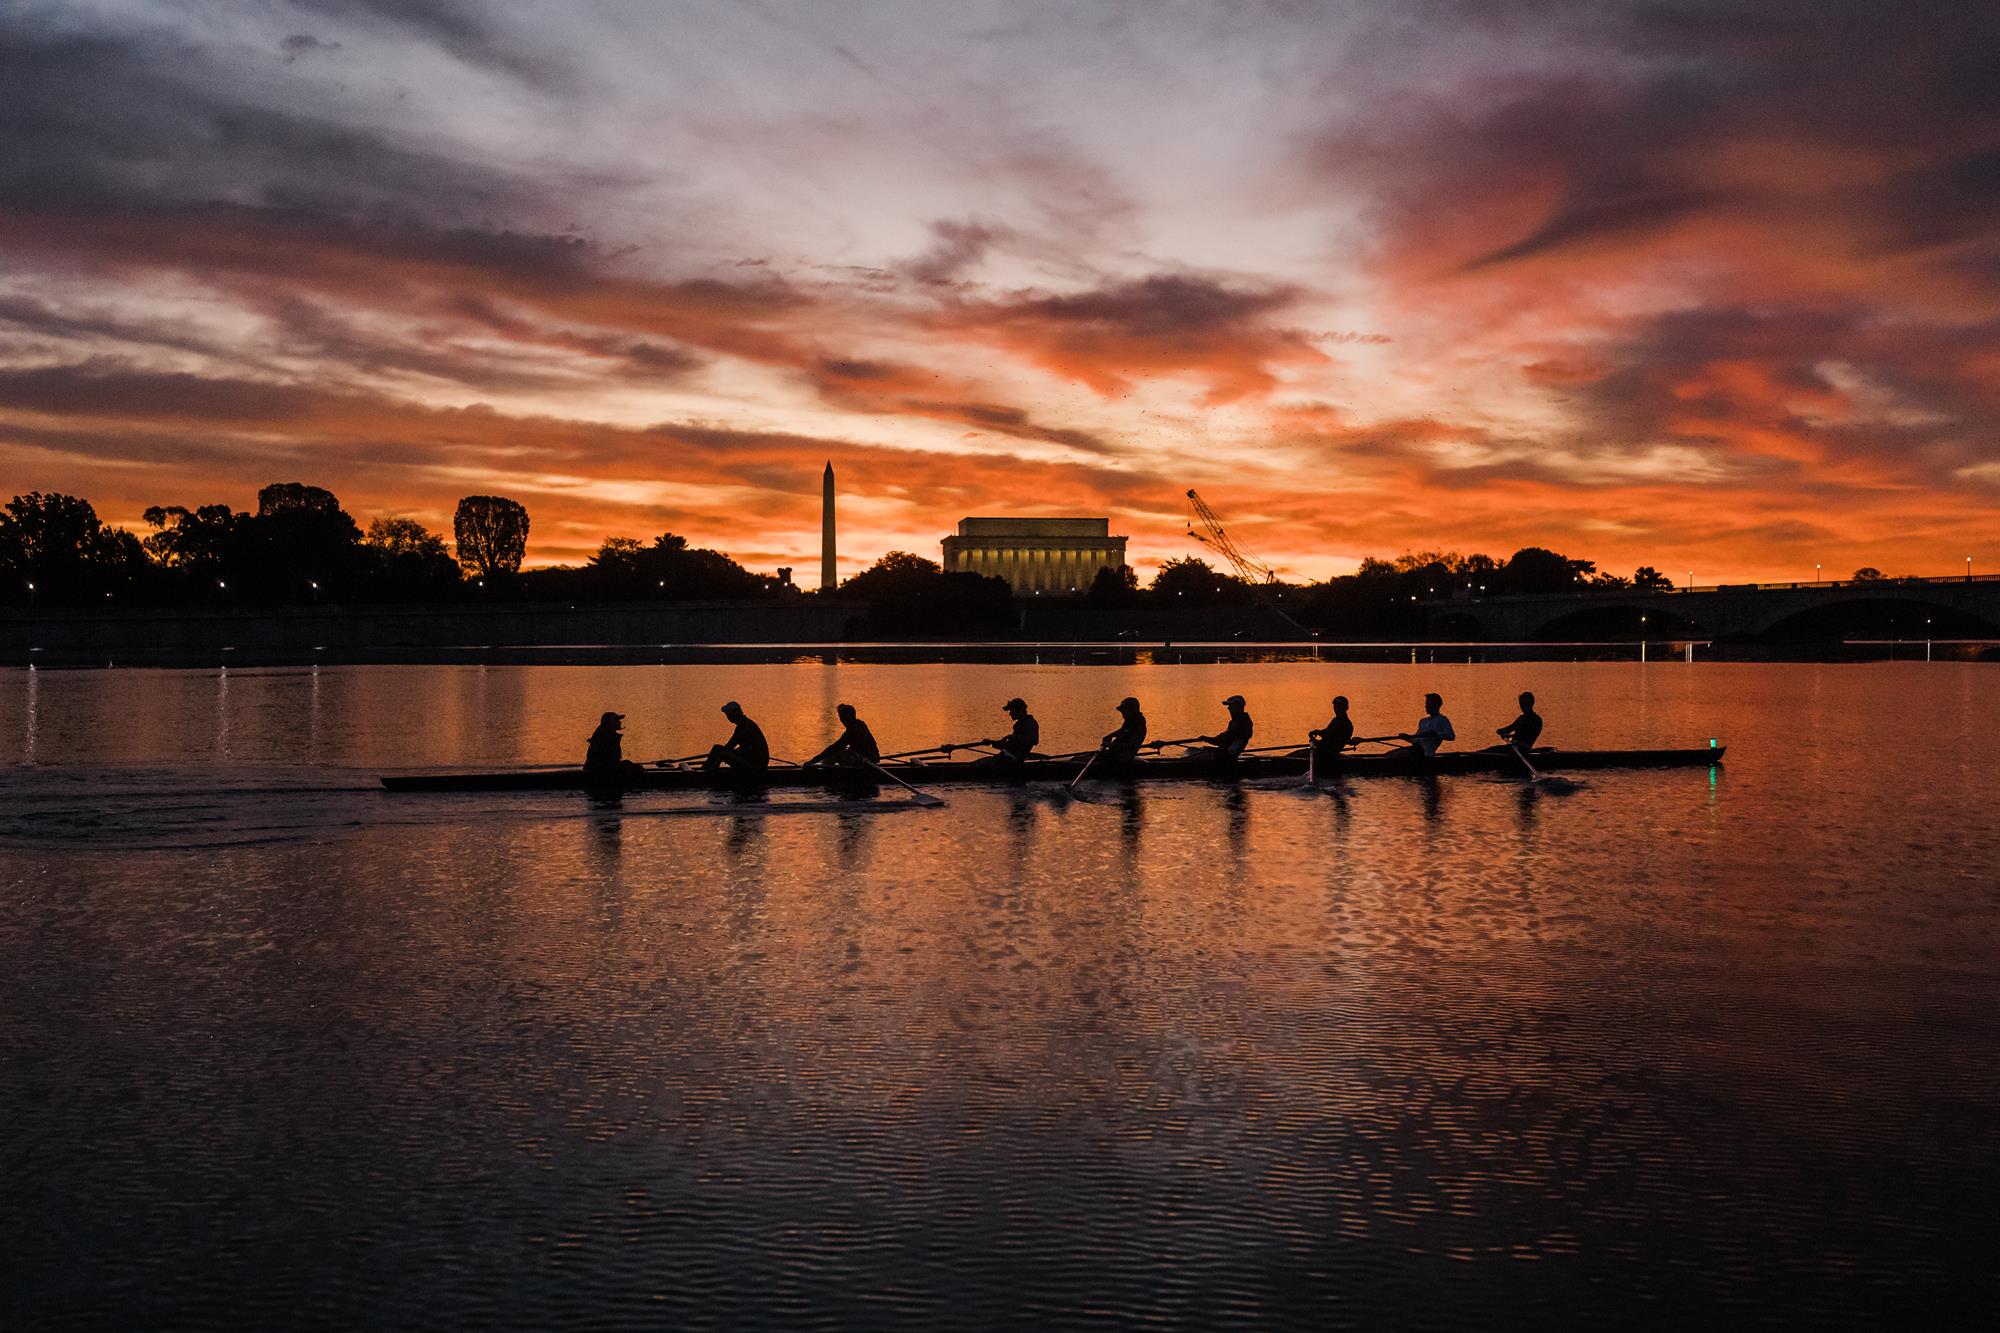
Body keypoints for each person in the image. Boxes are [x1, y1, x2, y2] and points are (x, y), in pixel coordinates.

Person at [704, 701, 770, 782]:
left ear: (730, 716)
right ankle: (707, 770)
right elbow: (747, 747)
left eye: (727, 715)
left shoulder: (743, 727)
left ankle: (706, 774)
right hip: (758, 762)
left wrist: (719, 757)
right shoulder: (747, 723)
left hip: (756, 766)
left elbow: (728, 747)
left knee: (717, 749)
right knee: (719, 750)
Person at [808, 703, 880, 768]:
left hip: (866, 760)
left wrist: (813, 761)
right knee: (840, 751)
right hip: (868, 758)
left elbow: (836, 747)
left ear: (845, 717)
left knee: (833, 754)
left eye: (841, 717)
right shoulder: (860, 724)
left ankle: (827, 776)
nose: (841, 720)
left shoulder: (853, 730)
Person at [977, 697, 1040, 772]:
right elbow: (1009, 746)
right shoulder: (1018, 725)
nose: (1010, 713)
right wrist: (991, 742)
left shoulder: (1030, 722)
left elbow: (1034, 740)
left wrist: (1012, 736)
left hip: (1013, 760)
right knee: (982, 761)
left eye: (1011, 710)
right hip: (1006, 757)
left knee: (983, 764)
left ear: (1019, 710)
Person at [583, 710, 642, 783]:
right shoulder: (605, 737)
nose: (620, 722)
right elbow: (608, 763)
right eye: (616, 720)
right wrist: (628, 765)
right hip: (597, 772)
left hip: (598, 769)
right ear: (609, 724)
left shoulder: (606, 734)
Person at [1196, 694, 1253, 764]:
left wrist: (1206, 738)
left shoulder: (1242, 723)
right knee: (1200, 750)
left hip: (1225, 757)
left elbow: (1221, 740)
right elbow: (1223, 739)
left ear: (1238, 707)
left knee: (1200, 753)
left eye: (1231, 706)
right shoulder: (1237, 721)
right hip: (1224, 754)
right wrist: (1207, 739)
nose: (1228, 708)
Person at [1099, 696, 1147, 776]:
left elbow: (1130, 746)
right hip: (1114, 754)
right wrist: (1110, 735)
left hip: (1122, 758)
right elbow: (1123, 730)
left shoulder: (1139, 726)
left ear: (1132, 711)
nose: (1122, 714)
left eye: (1124, 711)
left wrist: (1111, 744)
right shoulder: (1129, 721)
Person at [1399, 692, 1455, 759]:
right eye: (1426, 704)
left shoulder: (1442, 719)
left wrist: (1436, 734)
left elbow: (1451, 736)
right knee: (1388, 755)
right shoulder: (1423, 721)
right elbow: (1416, 740)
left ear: (1436, 705)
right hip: (1414, 750)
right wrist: (1407, 737)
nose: (1425, 706)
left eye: (1428, 704)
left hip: (1425, 754)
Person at [1309, 695, 1356, 771]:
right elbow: (1327, 733)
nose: (1336, 709)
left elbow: (1333, 742)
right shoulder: (1336, 720)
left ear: (1346, 708)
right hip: (1321, 752)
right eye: (1335, 707)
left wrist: (1315, 742)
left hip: (1327, 755)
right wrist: (1317, 731)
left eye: (1339, 707)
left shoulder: (1346, 724)